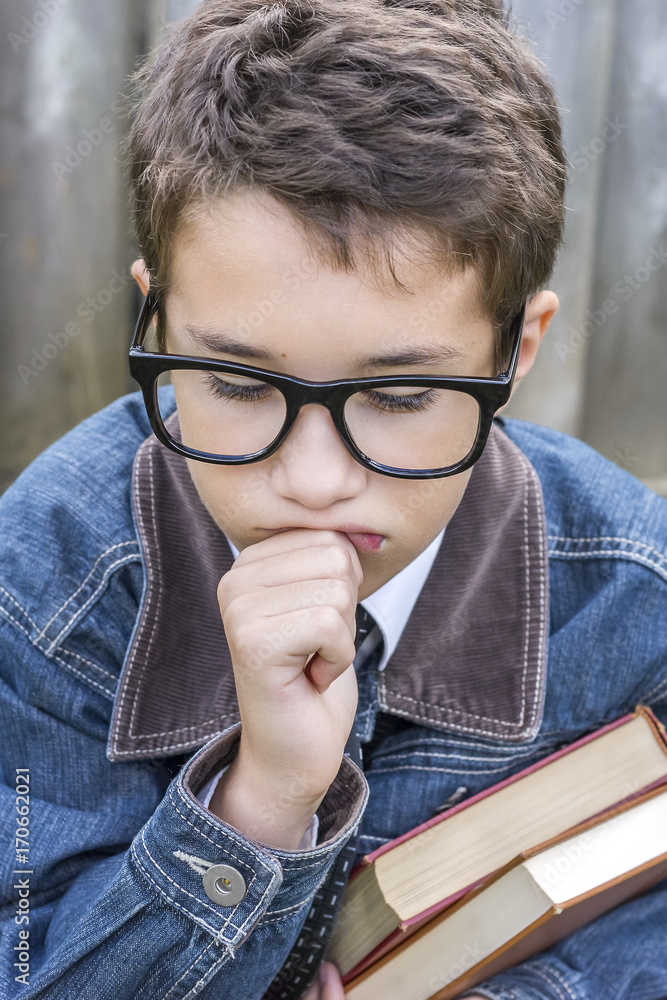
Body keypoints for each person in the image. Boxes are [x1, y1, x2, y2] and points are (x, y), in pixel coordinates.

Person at [1, 1, 665, 998]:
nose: (311, 480)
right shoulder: (50, 585)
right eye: (233, 382)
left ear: (515, 351)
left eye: (400, 395)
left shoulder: (636, 603)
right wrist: (258, 802)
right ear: (156, 309)